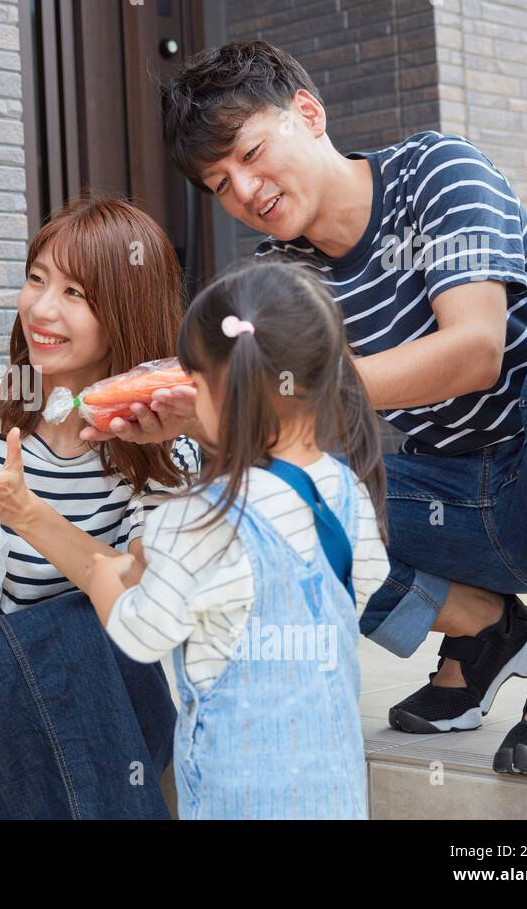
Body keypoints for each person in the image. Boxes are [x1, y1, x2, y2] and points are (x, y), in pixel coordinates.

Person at [104, 39, 527, 778]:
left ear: (309, 113)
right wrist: (198, 418)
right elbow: (274, 430)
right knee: (274, 501)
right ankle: (482, 629)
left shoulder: (438, 172)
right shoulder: (278, 275)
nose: (247, 190)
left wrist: (286, 384)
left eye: (253, 154)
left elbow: (475, 349)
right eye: (221, 183)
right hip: (452, 498)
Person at [0, 195, 198, 818]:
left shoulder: (162, 446)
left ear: (128, 311)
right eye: (36, 279)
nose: (42, 309)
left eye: (75, 293)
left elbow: (152, 601)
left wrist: (25, 514)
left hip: (119, 707)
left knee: (78, 623)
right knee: (43, 634)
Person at [87, 258, 391, 818]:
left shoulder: (197, 516)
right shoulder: (345, 488)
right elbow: (364, 588)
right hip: (335, 793)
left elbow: (144, 636)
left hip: (237, 796)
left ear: (220, 389)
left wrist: (103, 578)